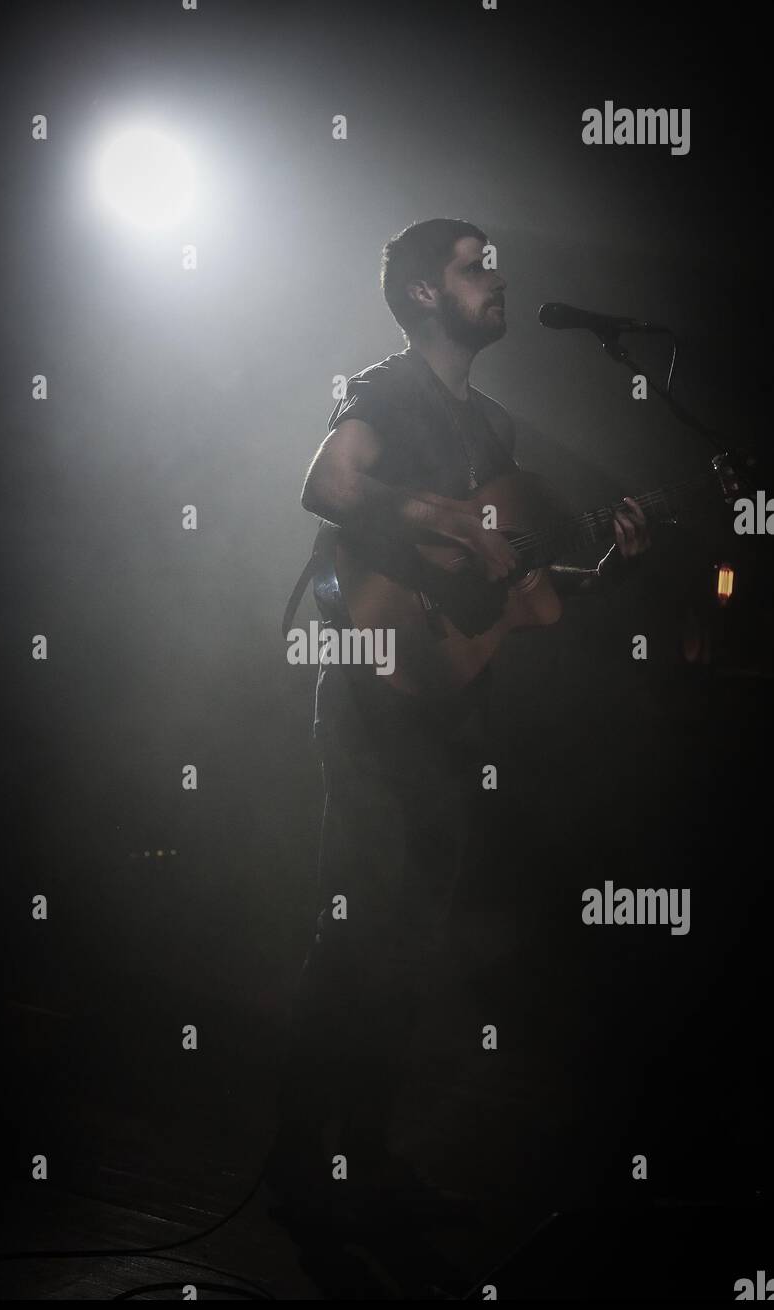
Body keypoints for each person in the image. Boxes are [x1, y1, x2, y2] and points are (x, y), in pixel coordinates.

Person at [266, 218, 651, 1238]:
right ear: (424, 295)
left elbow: (514, 586)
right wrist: (423, 515)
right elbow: (326, 483)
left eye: (494, 262)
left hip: (448, 702)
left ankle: (366, 1159)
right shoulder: (382, 389)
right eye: (473, 266)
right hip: (369, 690)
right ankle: (302, 1167)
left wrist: (604, 561)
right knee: (357, 927)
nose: (496, 277)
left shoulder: (492, 433)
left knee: (409, 941)